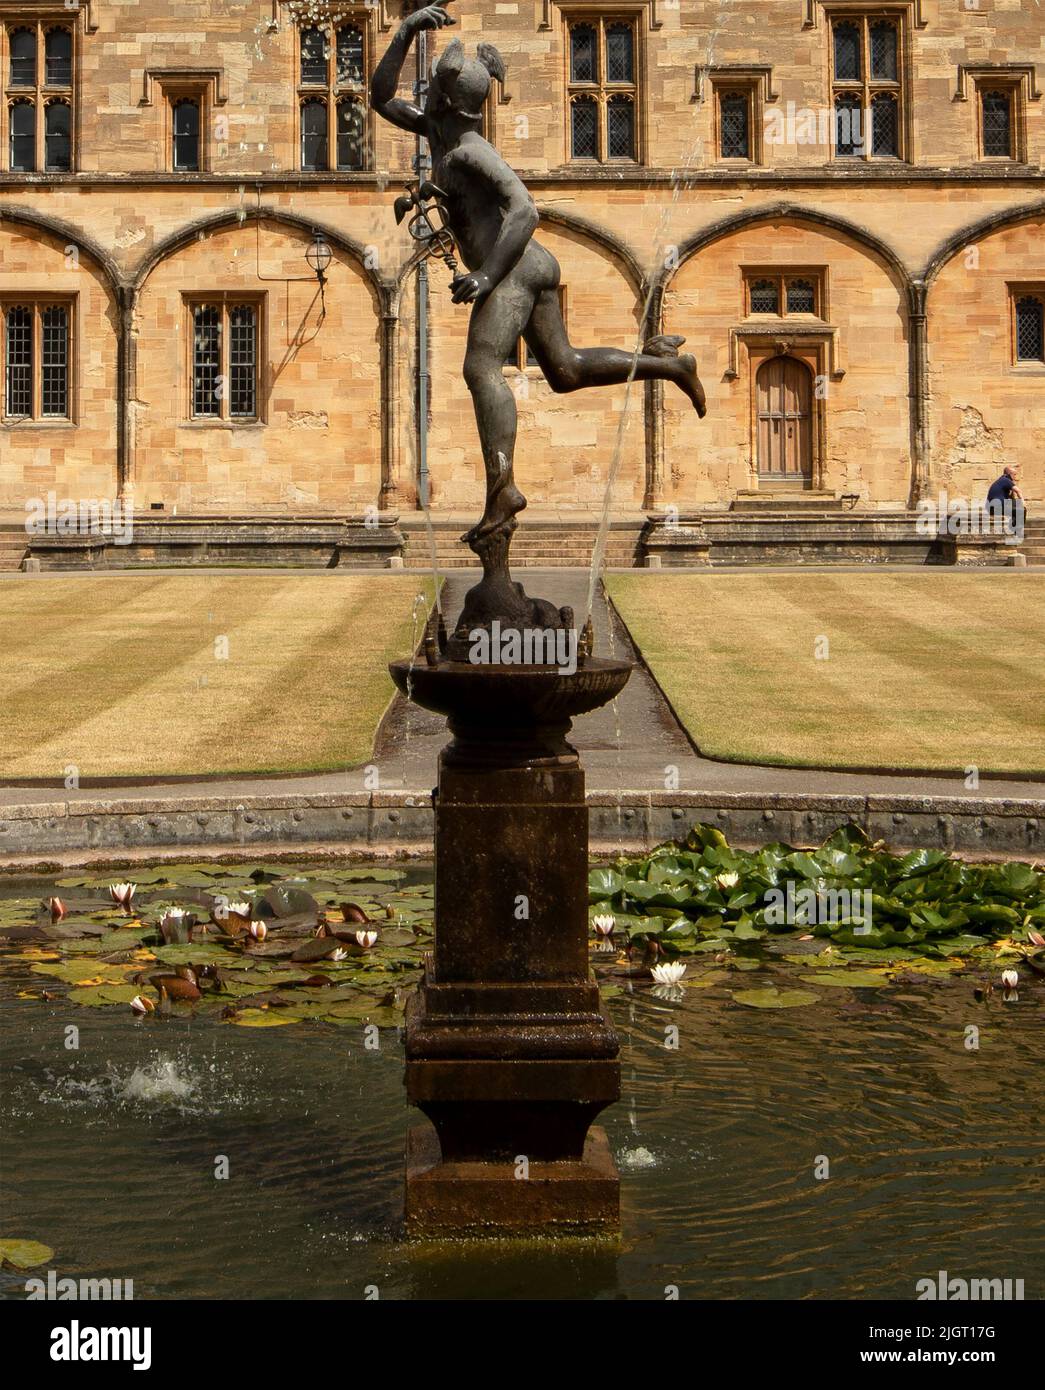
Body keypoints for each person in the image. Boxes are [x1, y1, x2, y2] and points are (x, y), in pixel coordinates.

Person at [371, 2, 706, 544]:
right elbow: (380, 95)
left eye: (432, 91)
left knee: (481, 370)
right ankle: (668, 364)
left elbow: (526, 210)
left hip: (518, 269)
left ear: (451, 104)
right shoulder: (440, 134)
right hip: (528, 267)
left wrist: (485, 278)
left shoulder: (472, 152)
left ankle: (502, 489)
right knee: (566, 370)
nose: (423, 95)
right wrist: (406, 30)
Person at [985, 465, 1025, 538]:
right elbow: (1018, 491)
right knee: (1022, 510)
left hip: (992, 507)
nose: (1015, 477)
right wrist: (1023, 502)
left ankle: (1013, 530)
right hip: (997, 506)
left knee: (1016, 509)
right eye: (1014, 474)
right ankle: (1017, 533)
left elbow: (1012, 498)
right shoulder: (1006, 480)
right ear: (1009, 474)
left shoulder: (1001, 480)